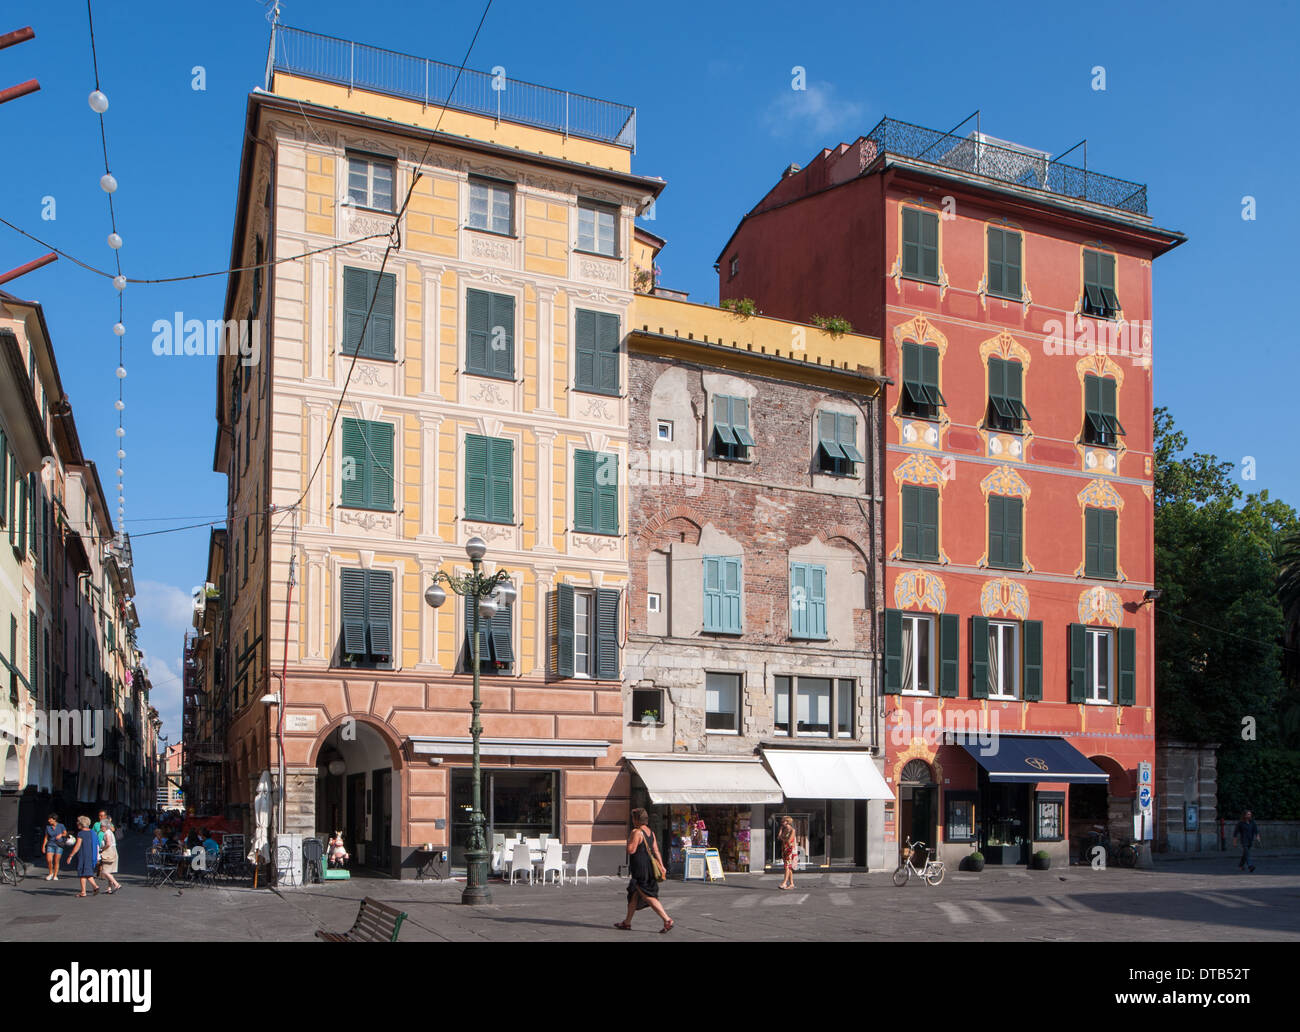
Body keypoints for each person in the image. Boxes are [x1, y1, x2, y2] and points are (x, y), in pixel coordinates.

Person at [614, 808, 673, 933]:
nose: (632, 820)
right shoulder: (651, 832)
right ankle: (627, 923)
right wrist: (662, 866)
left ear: (636, 819)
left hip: (640, 869)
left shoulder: (637, 832)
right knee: (634, 894)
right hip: (648, 867)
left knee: (647, 895)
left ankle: (667, 919)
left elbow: (631, 850)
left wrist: (629, 838)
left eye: (633, 818)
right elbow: (656, 850)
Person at [63, 816, 100, 897]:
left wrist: (71, 855)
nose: (77, 823)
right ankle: (84, 891)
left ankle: (94, 887)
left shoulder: (81, 833)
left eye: (78, 822)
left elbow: (77, 846)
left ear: (81, 824)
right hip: (91, 855)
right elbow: (97, 844)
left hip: (83, 856)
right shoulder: (93, 832)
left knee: (83, 872)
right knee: (85, 873)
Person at [97, 819, 122, 894]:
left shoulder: (107, 833)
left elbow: (108, 844)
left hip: (109, 853)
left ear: (105, 826)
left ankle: (116, 884)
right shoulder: (110, 832)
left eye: (101, 826)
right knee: (110, 871)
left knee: (105, 871)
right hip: (114, 851)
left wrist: (102, 849)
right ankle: (109, 888)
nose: (100, 828)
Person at [42, 813, 66, 882]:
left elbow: (65, 833)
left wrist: (61, 835)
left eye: (50, 819)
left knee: (56, 861)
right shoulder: (48, 827)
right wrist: (43, 846)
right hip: (50, 844)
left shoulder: (61, 826)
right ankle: (50, 873)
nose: (49, 820)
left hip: (59, 844)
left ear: (54, 819)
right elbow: (46, 837)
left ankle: (55, 875)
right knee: (49, 860)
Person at [777, 815, 797, 890]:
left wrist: (783, 838)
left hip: (790, 850)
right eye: (782, 821)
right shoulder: (784, 829)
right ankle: (791, 883)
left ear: (787, 822)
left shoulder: (792, 830)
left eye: (783, 821)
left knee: (787, 866)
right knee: (788, 867)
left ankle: (784, 883)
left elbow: (789, 841)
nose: (782, 823)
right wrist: (781, 830)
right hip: (785, 849)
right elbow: (779, 837)